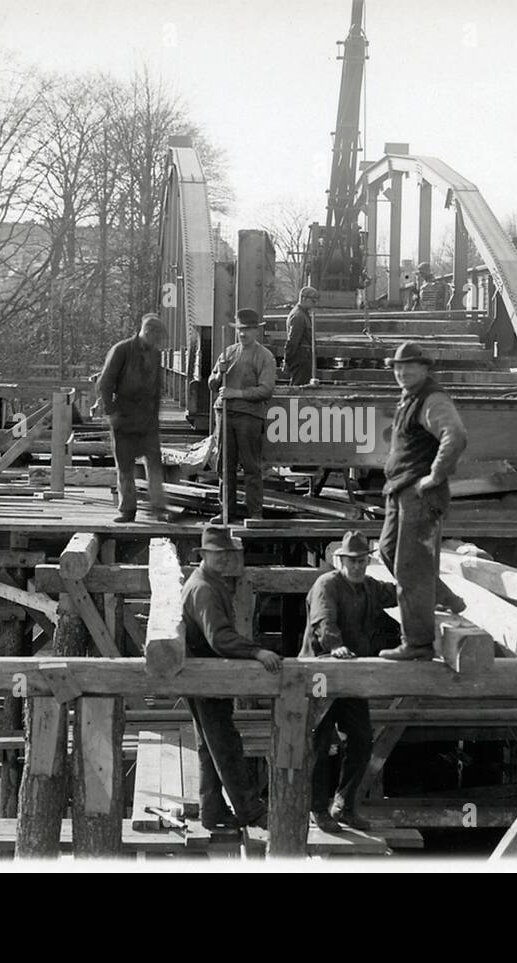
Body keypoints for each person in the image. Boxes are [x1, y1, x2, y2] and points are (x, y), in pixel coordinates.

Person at [181, 524, 282, 830]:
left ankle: (211, 811)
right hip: (206, 676)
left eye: (227, 553)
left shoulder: (210, 580)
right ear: (204, 555)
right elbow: (220, 639)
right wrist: (257, 652)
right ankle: (250, 810)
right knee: (225, 745)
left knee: (209, 745)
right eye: (218, 554)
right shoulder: (204, 589)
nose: (224, 559)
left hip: (202, 675)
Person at [300, 530, 399, 832]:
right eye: (351, 561)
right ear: (340, 561)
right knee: (319, 744)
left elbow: (397, 593)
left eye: (361, 561)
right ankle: (317, 808)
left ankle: (343, 804)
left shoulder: (369, 587)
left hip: (352, 675)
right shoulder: (326, 585)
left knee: (361, 739)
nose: (357, 567)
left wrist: (426, 589)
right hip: (322, 672)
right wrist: (334, 645)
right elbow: (323, 621)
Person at [378, 342, 468, 661]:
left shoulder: (432, 398)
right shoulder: (411, 397)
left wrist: (435, 475)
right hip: (400, 490)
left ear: (425, 369)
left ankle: (417, 644)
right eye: (398, 368)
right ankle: (445, 597)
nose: (402, 372)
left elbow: (454, 435)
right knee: (389, 552)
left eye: (410, 367)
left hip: (419, 494)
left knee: (411, 568)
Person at [95, 314, 169, 524]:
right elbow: (105, 384)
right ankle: (127, 510)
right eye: (155, 337)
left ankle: (158, 508)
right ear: (147, 332)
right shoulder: (122, 350)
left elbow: (156, 389)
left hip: (147, 420)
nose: (157, 343)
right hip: (125, 417)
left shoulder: (155, 355)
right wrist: (112, 412)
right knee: (125, 466)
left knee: (154, 464)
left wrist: (155, 417)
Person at [209, 308, 277, 522]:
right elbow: (212, 385)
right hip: (225, 415)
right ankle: (226, 512)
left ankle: (255, 513)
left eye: (247, 329)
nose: (243, 333)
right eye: (240, 329)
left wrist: (236, 393)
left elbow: (266, 390)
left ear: (256, 330)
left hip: (249, 417)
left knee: (251, 466)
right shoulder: (228, 353)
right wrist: (219, 372)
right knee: (224, 466)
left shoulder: (265, 357)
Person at [284, 285, 320, 386]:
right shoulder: (298, 316)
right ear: (303, 298)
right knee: (297, 389)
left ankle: (296, 402)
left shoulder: (303, 315)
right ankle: (293, 403)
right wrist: (288, 360)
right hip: (300, 360)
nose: (315, 304)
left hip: (304, 359)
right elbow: (292, 341)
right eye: (313, 301)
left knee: (302, 389)